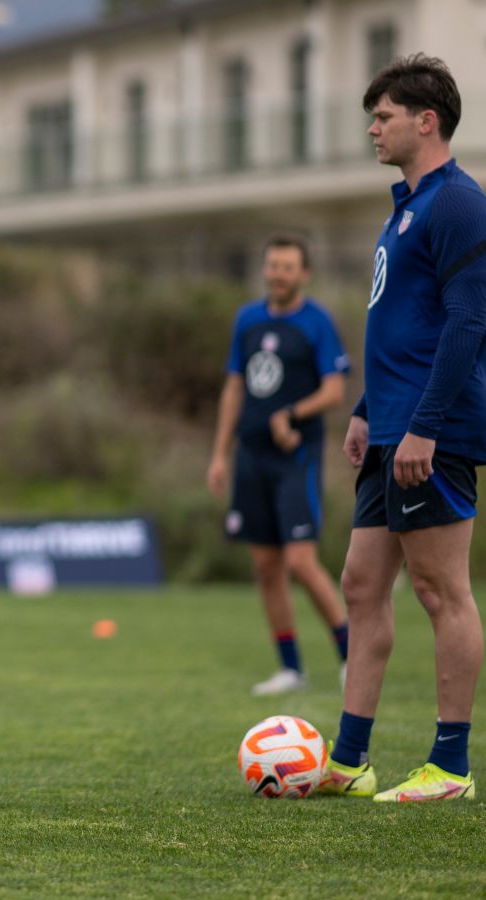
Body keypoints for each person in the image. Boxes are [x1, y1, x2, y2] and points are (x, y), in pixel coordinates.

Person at [319, 54, 486, 802]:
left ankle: (451, 768)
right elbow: (401, 326)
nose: (374, 127)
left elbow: (465, 324)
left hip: (434, 431)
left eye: (385, 115)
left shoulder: (459, 203)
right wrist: (368, 411)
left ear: (425, 121)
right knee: (362, 587)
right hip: (391, 427)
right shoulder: (405, 208)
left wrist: (425, 426)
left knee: (439, 591)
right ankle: (351, 760)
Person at [206, 234, 351, 696]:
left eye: (287, 267)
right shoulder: (247, 320)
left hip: (297, 458)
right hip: (251, 458)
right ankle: (291, 668)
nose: (278, 274)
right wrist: (219, 454)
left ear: (303, 273)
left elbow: (334, 390)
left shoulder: (316, 322)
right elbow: (234, 388)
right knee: (266, 566)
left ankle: (351, 657)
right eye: (272, 265)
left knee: (302, 563)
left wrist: (292, 415)